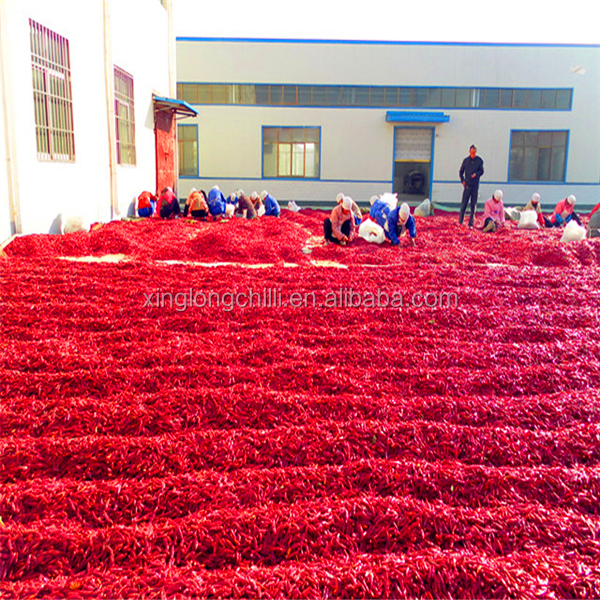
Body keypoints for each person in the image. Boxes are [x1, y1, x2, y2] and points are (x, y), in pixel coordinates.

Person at [458, 144, 484, 228]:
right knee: (464, 204)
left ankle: (471, 223)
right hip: (467, 186)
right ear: (469, 152)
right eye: (471, 153)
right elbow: (460, 172)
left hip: (475, 186)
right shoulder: (466, 161)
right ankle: (460, 221)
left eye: (474, 153)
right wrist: (463, 181)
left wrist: (476, 174)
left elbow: (482, 171)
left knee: (473, 205)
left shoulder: (479, 161)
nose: (473, 154)